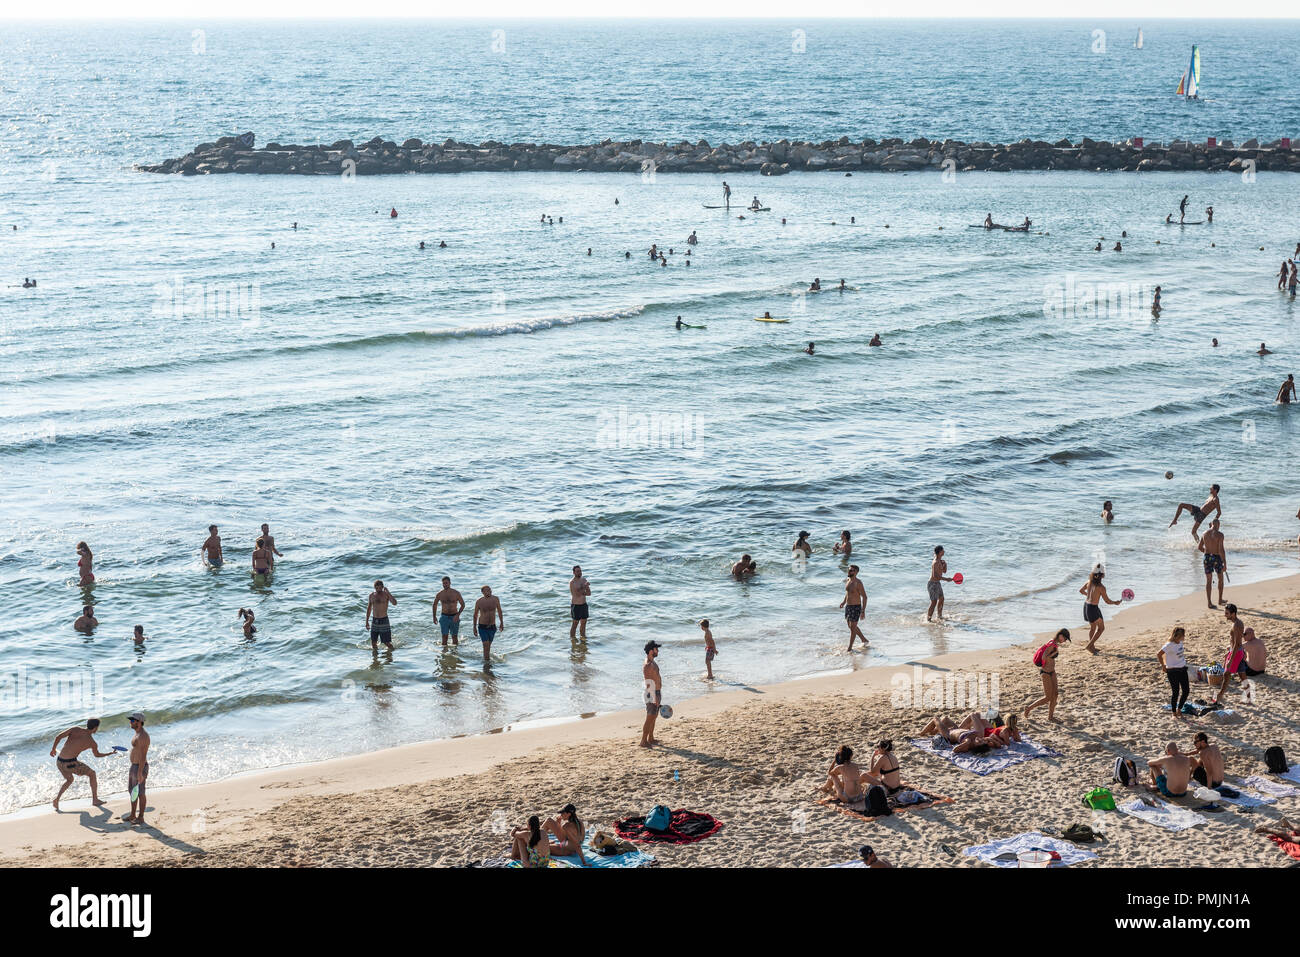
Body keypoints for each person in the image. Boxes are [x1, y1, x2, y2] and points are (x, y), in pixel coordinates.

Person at [50, 719, 114, 810]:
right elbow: (97, 755)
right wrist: (109, 753)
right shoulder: (91, 742)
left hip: (59, 761)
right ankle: (95, 800)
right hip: (70, 764)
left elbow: (58, 737)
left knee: (69, 780)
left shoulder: (75, 729)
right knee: (92, 774)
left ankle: (56, 800)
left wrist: (53, 749)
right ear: (95, 728)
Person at [1024, 628, 1069, 723]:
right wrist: (1054, 653)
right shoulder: (1052, 644)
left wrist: (1054, 653)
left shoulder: (1053, 643)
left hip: (1052, 672)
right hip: (1046, 673)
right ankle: (1029, 708)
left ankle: (1050, 717)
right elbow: (1044, 657)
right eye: (1065, 638)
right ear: (1060, 635)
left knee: (1055, 694)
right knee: (1048, 697)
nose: (1065, 641)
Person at [1079, 566, 1121, 653]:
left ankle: (1092, 647)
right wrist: (1115, 602)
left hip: (1086, 606)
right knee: (1101, 628)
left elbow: (1081, 590)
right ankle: (1089, 646)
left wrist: (1089, 596)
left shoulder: (1089, 582)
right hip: (1093, 609)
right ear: (1102, 575)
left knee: (1093, 627)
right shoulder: (1101, 587)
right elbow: (1107, 601)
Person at [1212, 603, 1246, 705]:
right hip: (1236, 651)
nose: (1225, 615)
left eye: (1227, 613)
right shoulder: (1236, 623)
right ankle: (1248, 696)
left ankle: (1220, 696)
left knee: (1227, 674)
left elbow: (1237, 643)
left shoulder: (1237, 625)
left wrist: (1231, 659)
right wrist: (1229, 652)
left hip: (1236, 652)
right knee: (1242, 675)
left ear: (1233, 614)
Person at [1158, 626, 1190, 718]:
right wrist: (1163, 665)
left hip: (1183, 669)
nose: (1184, 637)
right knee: (1175, 692)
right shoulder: (1169, 645)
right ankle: (1174, 712)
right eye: (1183, 635)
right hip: (1173, 671)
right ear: (1179, 636)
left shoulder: (1180, 642)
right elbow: (1159, 654)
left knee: (1186, 691)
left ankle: (1179, 709)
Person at [1198, 519, 1228, 608]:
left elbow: (1199, 547)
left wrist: (1207, 553)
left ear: (1211, 524)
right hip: (1217, 557)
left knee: (1208, 581)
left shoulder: (1204, 533)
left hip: (1207, 557)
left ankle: (1209, 603)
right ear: (1218, 524)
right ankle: (1220, 600)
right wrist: (1225, 563)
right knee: (1220, 579)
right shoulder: (1220, 535)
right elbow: (1221, 550)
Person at [840, 565, 868, 650]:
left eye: (851, 570)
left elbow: (865, 597)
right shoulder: (848, 580)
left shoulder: (858, 583)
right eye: (849, 570)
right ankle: (864, 639)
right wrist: (844, 602)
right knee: (851, 626)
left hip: (856, 607)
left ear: (856, 572)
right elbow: (848, 593)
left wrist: (863, 611)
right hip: (848, 607)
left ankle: (850, 648)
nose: (849, 572)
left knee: (853, 628)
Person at [640, 641, 662, 748]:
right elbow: (649, 683)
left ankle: (651, 738)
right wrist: (654, 697)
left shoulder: (652, 662)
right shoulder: (648, 665)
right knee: (650, 718)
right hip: (651, 693)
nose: (658, 651)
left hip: (656, 692)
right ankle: (643, 741)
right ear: (650, 651)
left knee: (654, 717)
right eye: (656, 649)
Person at [472, 586, 503, 662]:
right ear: (482, 592)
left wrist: (501, 623)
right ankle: (487, 664)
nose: (489, 591)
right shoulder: (479, 601)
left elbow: (499, 611)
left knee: (488, 646)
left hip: (492, 627)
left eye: (490, 590)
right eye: (487, 590)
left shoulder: (496, 599)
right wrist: (474, 627)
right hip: (482, 627)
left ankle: (486, 660)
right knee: (486, 646)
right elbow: (475, 615)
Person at [433, 576, 464, 648]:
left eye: (446, 583)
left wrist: (458, 615)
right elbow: (434, 605)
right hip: (444, 617)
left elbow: (463, 605)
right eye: (443, 583)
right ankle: (444, 653)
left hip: (454, 616)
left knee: (454, 637)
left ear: (450, 583)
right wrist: (434, 617)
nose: (445, 585)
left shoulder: (456, 593)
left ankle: (455, 653)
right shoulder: (440, 594)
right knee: (444, 637)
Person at [366, 580, 396, 650]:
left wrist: (388, 592)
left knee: (386, 642)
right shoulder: (371, 595)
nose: (378, 590)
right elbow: (369, 609)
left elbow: (394, 603)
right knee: (373, 643)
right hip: (374, 621)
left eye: (379, 588)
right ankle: (375, 656)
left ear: (382, 587)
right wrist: (367, 622)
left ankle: (392, 652)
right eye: (376, 588)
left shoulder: (386, 595)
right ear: (374, 587)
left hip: (384, 620)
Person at [926, 546, 953, 621]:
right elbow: (935, 576)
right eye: (943, 550)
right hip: (932, 584)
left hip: (937, 583)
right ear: (940, 552)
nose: (944, 551)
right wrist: (946, 579)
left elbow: (944, 571)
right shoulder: (935, 562)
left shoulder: (940, 561)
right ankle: (928, 619)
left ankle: (939, 616)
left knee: (941, 598)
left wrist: (945, 564)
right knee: (934, 602)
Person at [569, 565, 591, 640]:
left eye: (580, 571)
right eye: (577, 571)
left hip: (584, 605)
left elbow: (589, 593)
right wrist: (584, 587)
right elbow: (577, 594)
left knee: (584, 624)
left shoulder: (584, 580)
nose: (580, 572)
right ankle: (572, 640)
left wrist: (583, 590)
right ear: (574, 572)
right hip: (576, 606)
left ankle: (583, 639)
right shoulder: (572, 582)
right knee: (575, 624)